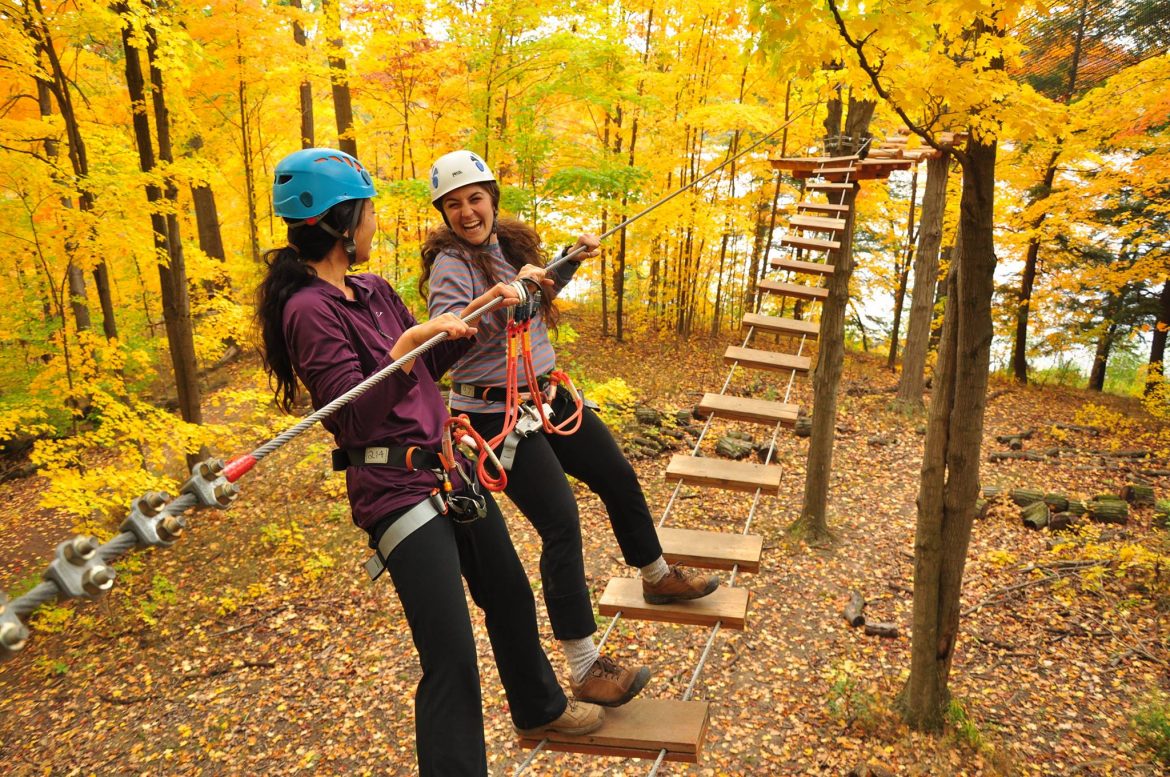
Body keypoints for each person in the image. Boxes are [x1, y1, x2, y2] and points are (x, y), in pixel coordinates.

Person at [256, 148, 603, 776]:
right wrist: (406, 344)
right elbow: (351, 415)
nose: (373, 224)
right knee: (450, 655)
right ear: (340, 222)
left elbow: (424, 369)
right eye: (366, 214)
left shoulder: (372, 289)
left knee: (509, 594)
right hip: (393, 487)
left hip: (448, 468)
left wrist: (468, 321)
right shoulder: (308, 310)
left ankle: (539, 706)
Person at [421, 150, 721, 709]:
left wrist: (566, 262)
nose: (467, 212)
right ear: (445, 213)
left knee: (616, 472)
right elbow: (450, 335)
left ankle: (655, 575)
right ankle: (584, 666)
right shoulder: (450, 267)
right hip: (495, 416)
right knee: (561, 522)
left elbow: (537, 298)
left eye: (475, 199)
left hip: (547, 394)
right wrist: (497, 298)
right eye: (455, 205)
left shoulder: (507, 249)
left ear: (492, 199)